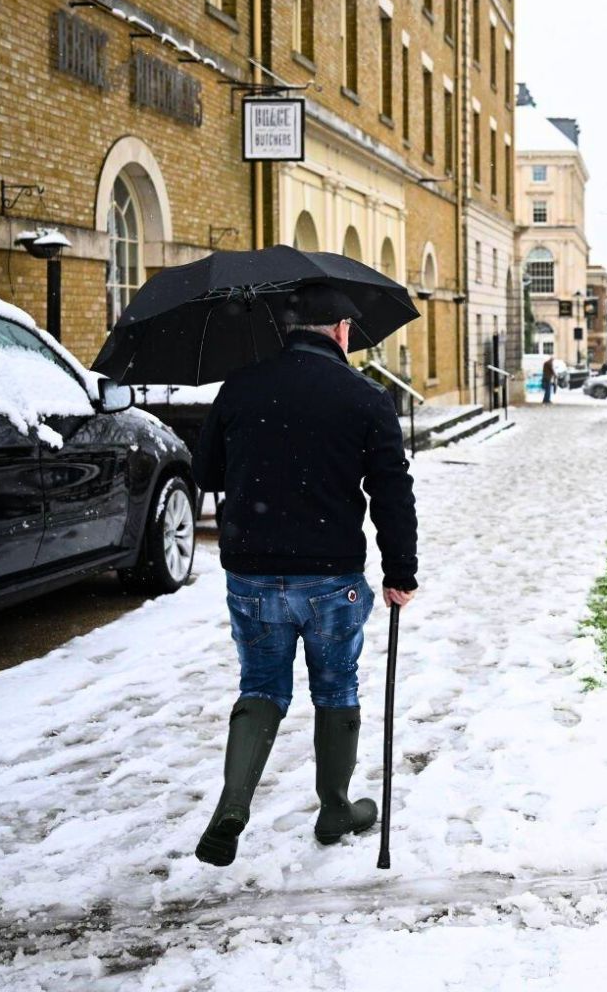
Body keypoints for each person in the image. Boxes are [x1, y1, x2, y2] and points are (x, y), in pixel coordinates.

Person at [190, 283, 419, 867]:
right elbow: (391, 492)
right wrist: (400, 570)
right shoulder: (365, 397)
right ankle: (335, 808)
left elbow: (206, 471)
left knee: (261, 687)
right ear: (341, 330)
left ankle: (233, 805)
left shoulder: (242, 386)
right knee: (336, 689)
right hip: (330, 576)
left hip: (253, 573)